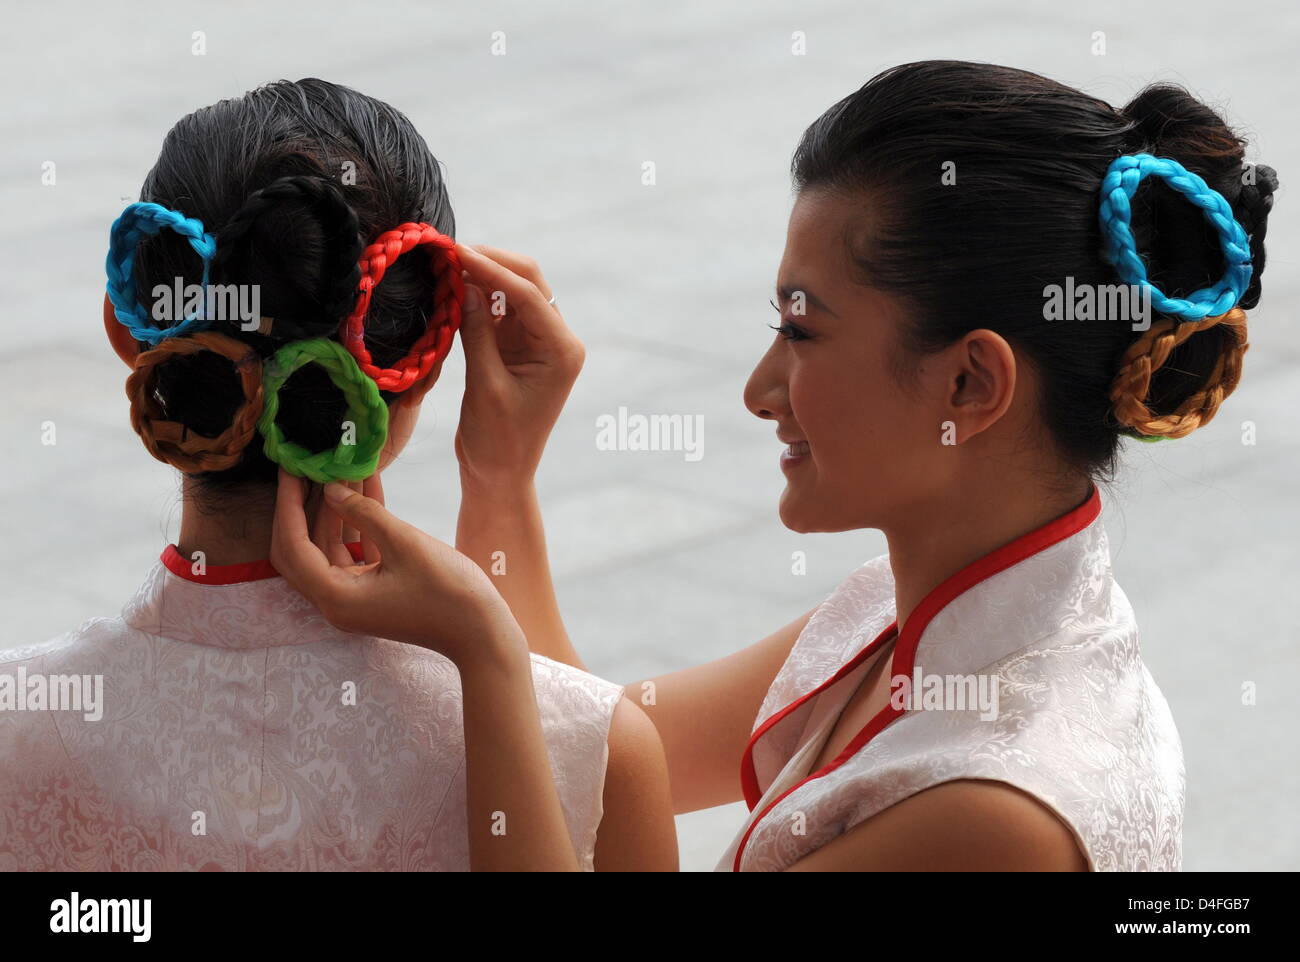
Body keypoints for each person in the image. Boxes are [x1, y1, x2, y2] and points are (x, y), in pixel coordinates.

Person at [271, 61, 1278, 871]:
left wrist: (481, 651)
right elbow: (604, 750)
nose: (758, 388)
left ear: (971, 384)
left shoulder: (992, 813)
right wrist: (499, 475)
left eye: (800, 329)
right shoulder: (929, 608)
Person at [0, 78, 677, 872]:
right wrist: (498, 511)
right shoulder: (597, 754)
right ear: (425, 361)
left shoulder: (20, 722)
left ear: (132, 333)